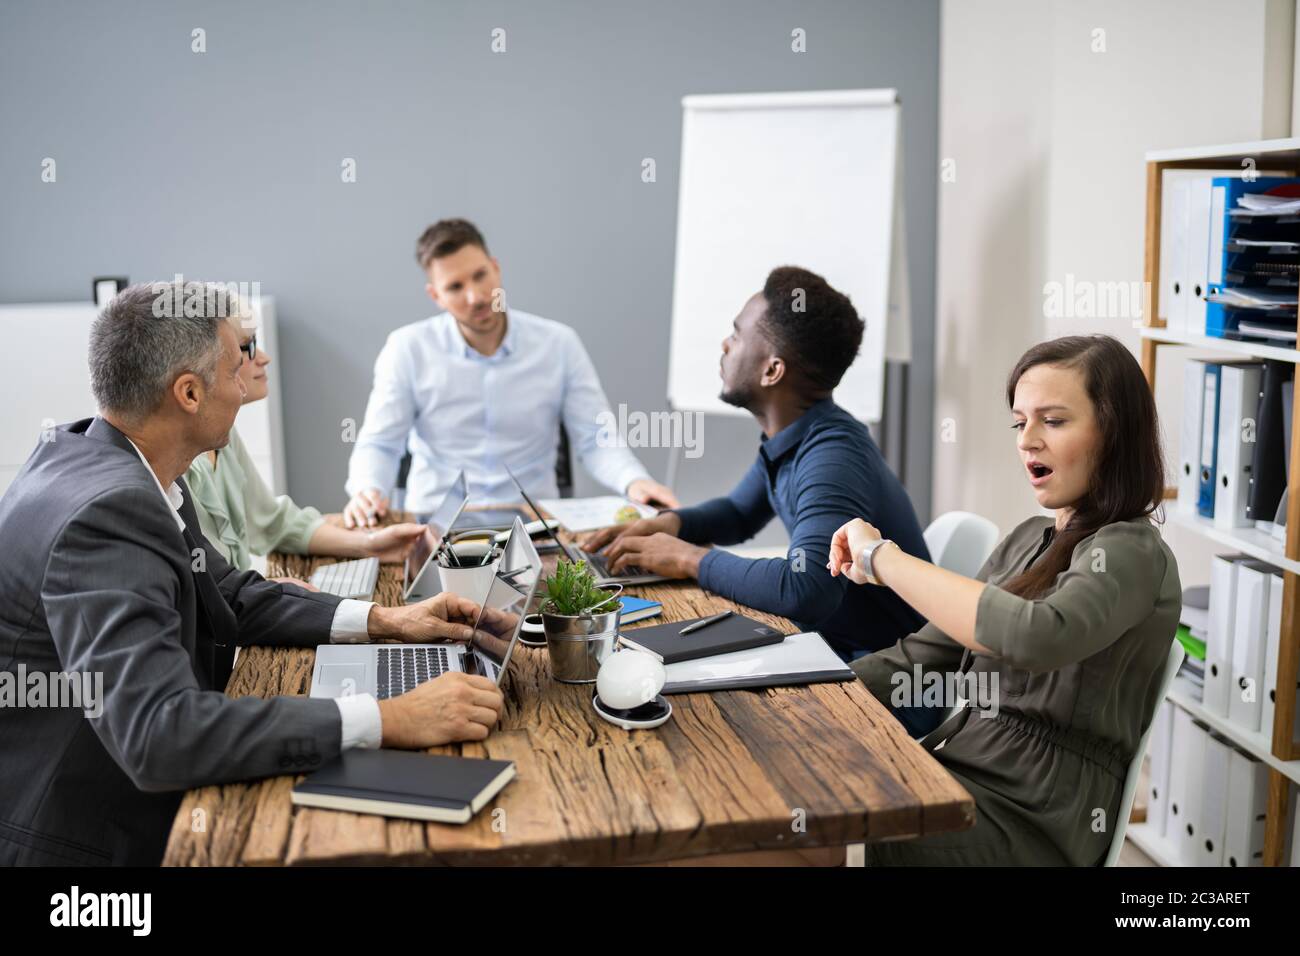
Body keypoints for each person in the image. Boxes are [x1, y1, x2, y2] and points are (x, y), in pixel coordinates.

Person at [0, 282, 505, 866]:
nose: (247, 382)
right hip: (77, 846)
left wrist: (386, 618)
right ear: (188, 393)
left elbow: (224, 592)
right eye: (235, 365)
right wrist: (391, 717)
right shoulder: (109, 512)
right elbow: (159, 732)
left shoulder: (116, 458)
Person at [829, 335, 1181, 866]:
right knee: (790, 807)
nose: (1027, 440)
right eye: (1020, 423)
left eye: (1053, 422)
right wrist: (802, 697)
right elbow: (920, 661)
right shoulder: (1026, 539)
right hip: (962, 769)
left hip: (1038, 816)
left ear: (1114, 433)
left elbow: (1037, 634)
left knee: (818, 830)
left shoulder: (1130, 550)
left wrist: (885, 560)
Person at [585, 266, 930, 659]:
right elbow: (738, 513)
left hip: (880, 682)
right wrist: (673, 524)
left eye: (736, 334)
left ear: (772, 370)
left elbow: (806, 589)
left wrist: (688, 557)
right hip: (833, 648)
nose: (725, 345)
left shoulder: (832, 456)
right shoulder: (793, 436)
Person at [343, 218, 677, 528]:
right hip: (436, 525)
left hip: (533, 523)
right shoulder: (407, 348)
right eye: (455, 287)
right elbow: (380, 442)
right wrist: (367, 489)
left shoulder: (558, 344)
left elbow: (596, 437)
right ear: (436, 296)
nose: (475, 297)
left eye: (480, 276)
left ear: (496, 268)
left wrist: (634, 480)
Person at [185, 320, 425, 582]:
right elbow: (214, 591)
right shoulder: (178, 465)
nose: (264, 358)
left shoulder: (224, 436)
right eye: (248, 348)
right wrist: (268, 589)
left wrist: (367, 544)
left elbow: (273, 522)